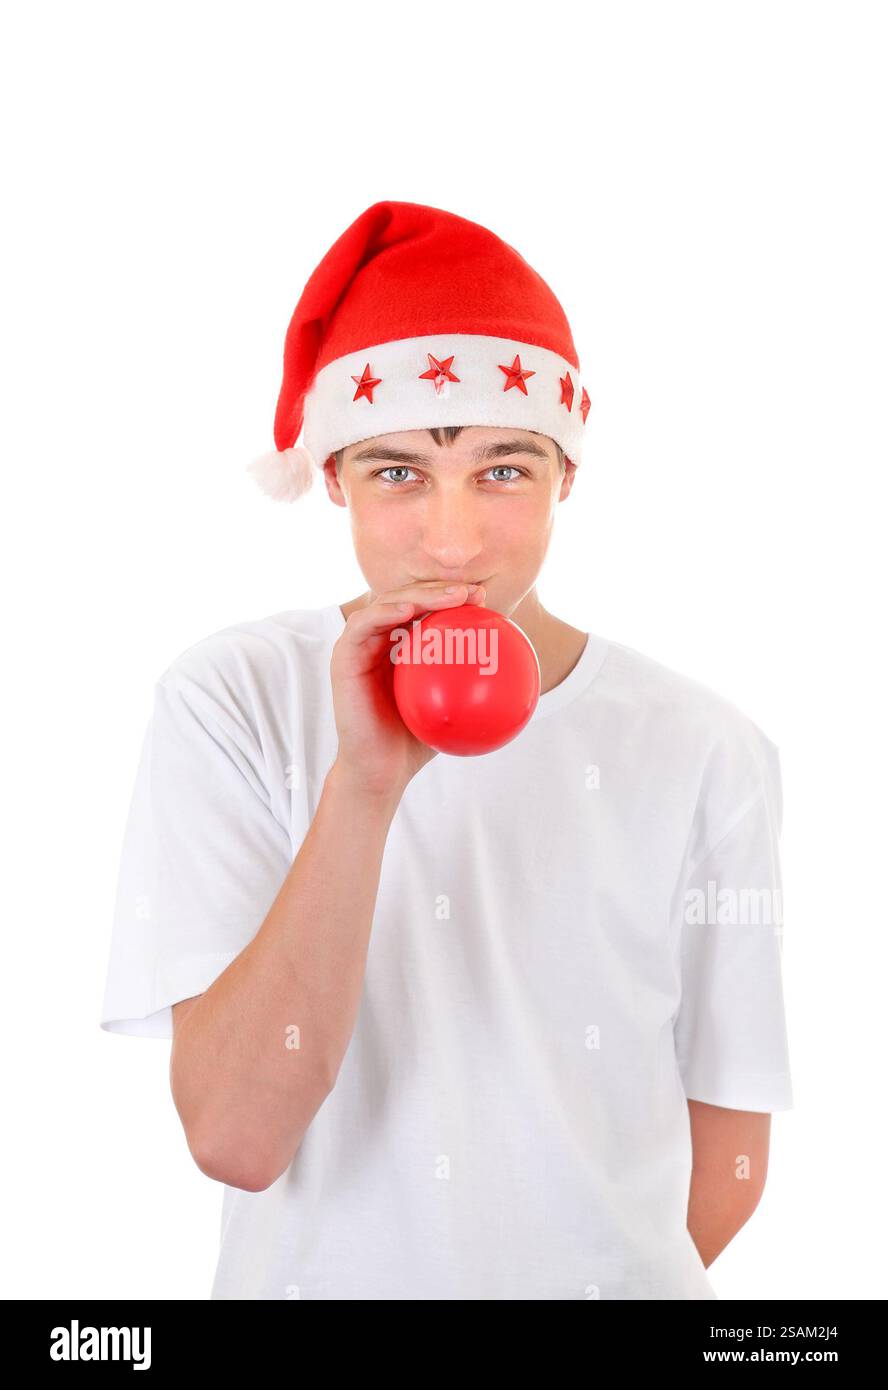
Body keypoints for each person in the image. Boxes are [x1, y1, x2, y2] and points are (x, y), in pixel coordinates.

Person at [99, 200, 793, 1301]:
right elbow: (235, 1134)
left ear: (570, 472)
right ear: (331, 478)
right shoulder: (230, 699)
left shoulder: (707, 747)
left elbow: (730, 1156)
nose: (455, 538)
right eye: (398, 472)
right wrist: (364, 788)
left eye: (505, 469)